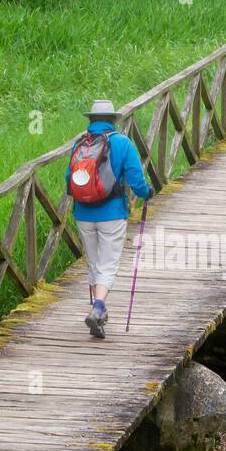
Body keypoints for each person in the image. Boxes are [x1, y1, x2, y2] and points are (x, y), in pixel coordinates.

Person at [65, 99, 152, 338]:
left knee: (93, 263)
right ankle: (99, 307)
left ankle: (98, 317)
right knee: (108, 264)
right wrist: (148, 193)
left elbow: (68, 182)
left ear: (91, 121)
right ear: (113, 120)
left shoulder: (79, 145)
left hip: (83, 213)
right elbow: (136, 181)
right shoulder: (122, 143)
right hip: (112, 214)